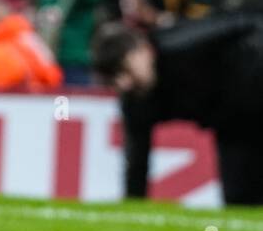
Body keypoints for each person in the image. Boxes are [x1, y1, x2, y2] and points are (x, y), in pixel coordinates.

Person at [92, 15, 263, 205]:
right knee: (238, 199)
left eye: (124, 69)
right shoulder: (135, 98)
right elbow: (137, 160)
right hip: (232, 125)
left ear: (142, 50)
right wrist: (133, 208)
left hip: (254, 88)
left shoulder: (181, 42)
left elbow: (240, 22)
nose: (124, 83)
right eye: (114, 78)